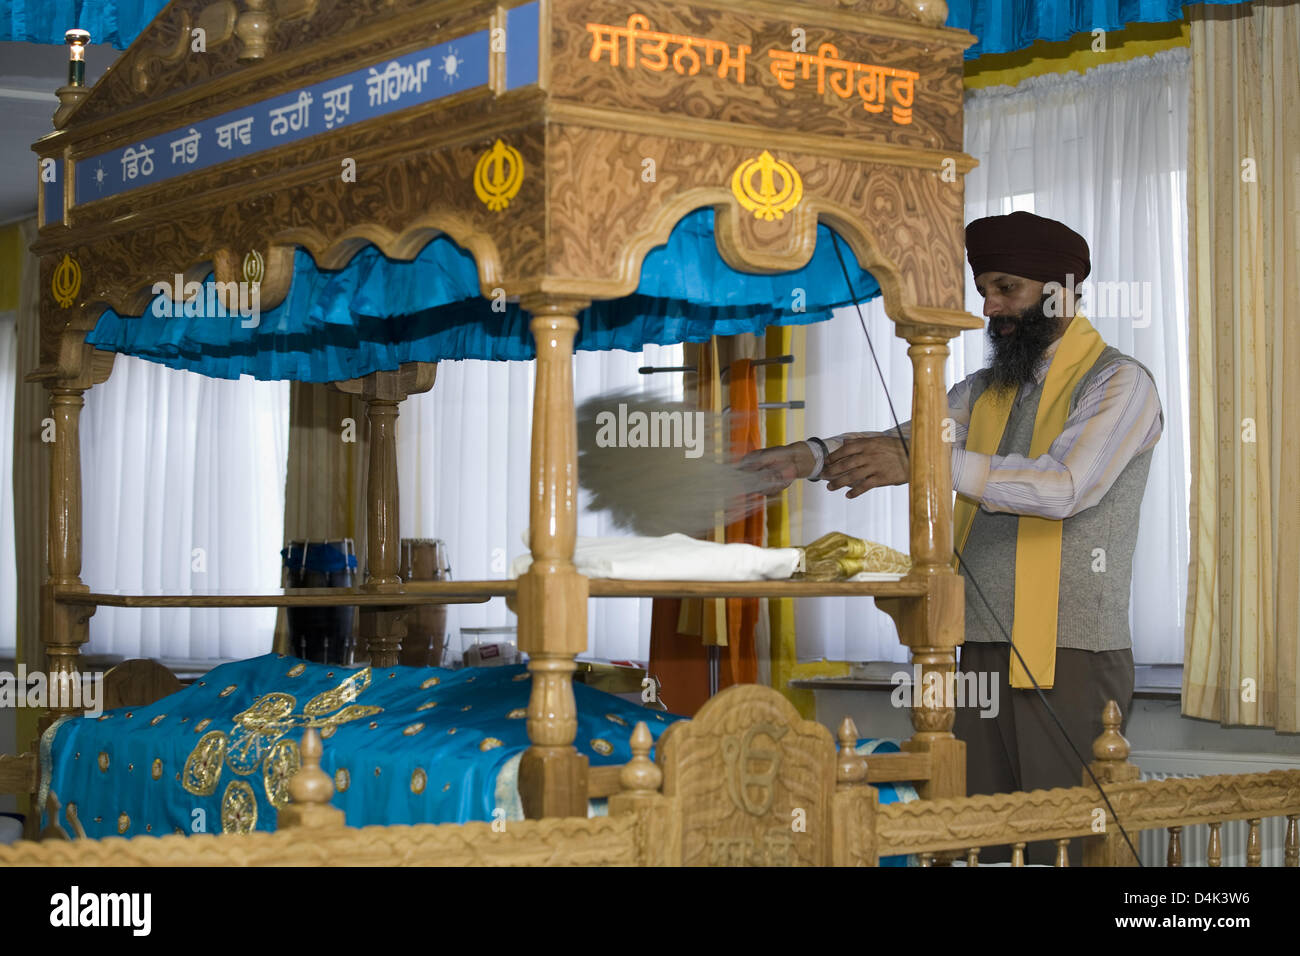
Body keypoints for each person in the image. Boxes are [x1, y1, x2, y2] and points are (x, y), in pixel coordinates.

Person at [742, 212, 1163, 865]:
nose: (989, 307)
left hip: (1071, 657)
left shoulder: (1119, 382)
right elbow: (911, 439)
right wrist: (807, 457)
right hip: (980, 650)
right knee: (976, 840)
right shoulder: (986, 389)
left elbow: (1063, 487)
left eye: (1005, 289)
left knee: (1067, 846)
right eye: (984, 290)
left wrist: (929, 464)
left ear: (1058, 291)